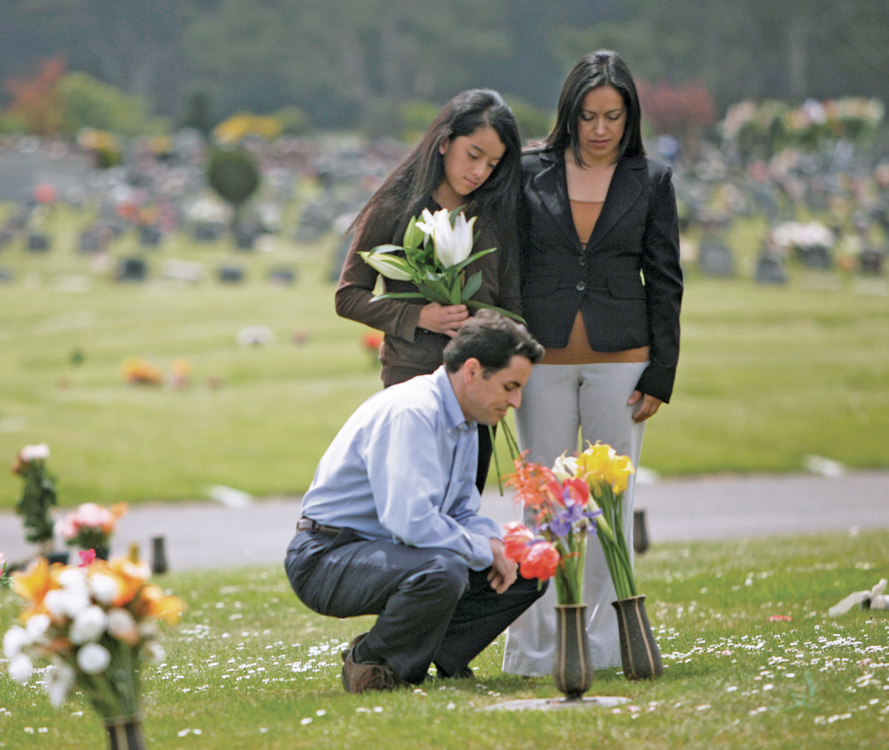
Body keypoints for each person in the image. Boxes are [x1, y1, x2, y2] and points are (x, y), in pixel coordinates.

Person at [501, 50, 684, 676]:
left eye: (612, 116)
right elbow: (510, 265)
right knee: (542, 504)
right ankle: (534, 652)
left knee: (611, 506)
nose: (600, 129)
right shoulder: (529, 172)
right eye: (588, 116)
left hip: (624, 363)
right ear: (569, 114)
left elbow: (665, 280)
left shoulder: (652, 179)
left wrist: (661, 372)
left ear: (630, 117)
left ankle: (605, 648)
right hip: (541, 362)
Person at [285, 311, 546, 693]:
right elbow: (410, 523)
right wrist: (483, 548)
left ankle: (427, 654)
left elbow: (460, 512)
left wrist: (495, 543)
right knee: (443, 571)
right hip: (327, 554)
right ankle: (373, 661)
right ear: (472, 371)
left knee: (529, 564)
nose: (516, 401)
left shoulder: (467, 419)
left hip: (390, 550)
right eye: (510, 386)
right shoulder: (413, 412)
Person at [336, 88, 523, 493]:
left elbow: (512, 305)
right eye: (473, 155)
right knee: (412, 500)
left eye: (492, 164)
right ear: (443, 143)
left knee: (464, 503)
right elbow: (348, 295)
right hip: (411, 380)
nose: (480, 172)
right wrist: (419, 316)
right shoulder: (394, 207)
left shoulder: (496, 217)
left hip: (479, 385)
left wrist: (489, 335)